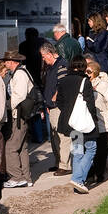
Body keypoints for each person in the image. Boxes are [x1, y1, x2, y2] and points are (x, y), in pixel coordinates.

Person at [56, 56, 100, 194]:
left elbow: (59, 102)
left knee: (77, 152)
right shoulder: (84, 81)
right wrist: (93, 120)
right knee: (91, 149)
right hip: (85, 122)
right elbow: (90, 104)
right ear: (82, 67)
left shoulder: (62, 81)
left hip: (71, 122)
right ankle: (77, 179)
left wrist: (69, 112)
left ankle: (77, 183)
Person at [4, 51, 35, 188]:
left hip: (19, 115)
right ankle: (26, 178)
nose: (5, 63)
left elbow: (19, 95)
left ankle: (16, 177)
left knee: (10, 147)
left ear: (12, 62)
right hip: (22, 115)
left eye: (6, 61)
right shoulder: (20, 72)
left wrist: (5, 105)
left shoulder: (20, 74)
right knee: (22, 147)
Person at [85, 58, 108, 185]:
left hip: (103, 122)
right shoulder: (85, 85)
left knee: (101, 151)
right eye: (85, 71)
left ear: (95, 72)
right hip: (89, 123)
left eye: (89, 71)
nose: (87, 74)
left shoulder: (103, 85)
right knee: (89, 150)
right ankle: (89, 173)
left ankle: (99, 174)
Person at [40, 40, 69, 174]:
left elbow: (62, 84)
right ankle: (58, 162)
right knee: (54, 137)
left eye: (43, 56)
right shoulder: (50, 67)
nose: (43, 59)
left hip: (57, 107)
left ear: (50, 54)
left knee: (62, 136)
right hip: (50, 107)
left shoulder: (62, 65)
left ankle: (65, 165)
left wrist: (54, 99)